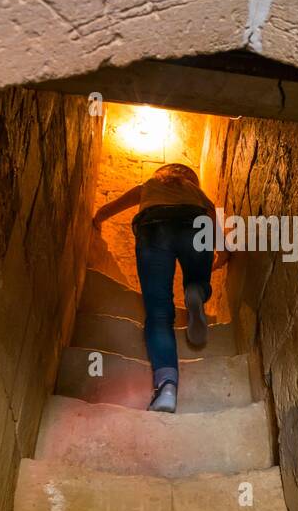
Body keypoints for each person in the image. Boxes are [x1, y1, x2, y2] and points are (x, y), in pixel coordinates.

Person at [92, 162, 225, 413]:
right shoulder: (196, 193)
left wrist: (98, 218)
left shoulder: (148, 186)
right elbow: (212, 217)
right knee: (197, 280)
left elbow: (113, 206)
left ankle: (166, 388)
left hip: (154, 226)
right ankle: (196, 293)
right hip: (195, 224)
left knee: (159, 314)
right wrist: (224, 252)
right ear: (191, 180)